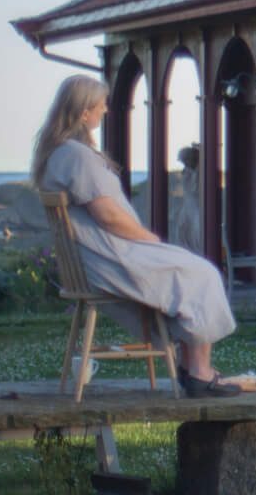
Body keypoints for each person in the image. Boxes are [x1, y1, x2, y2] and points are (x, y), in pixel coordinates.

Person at [29, 75, 242, 397]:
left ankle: (191, 366)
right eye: (100, 105)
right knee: (202, 272)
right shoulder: (75, 155)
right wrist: (149, 240)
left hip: (95, 258)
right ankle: (198, 372)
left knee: (191, 267)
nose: (105, 110)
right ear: (84, 112)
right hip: (109, 259)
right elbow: (109, 216)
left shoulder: (59, 154)